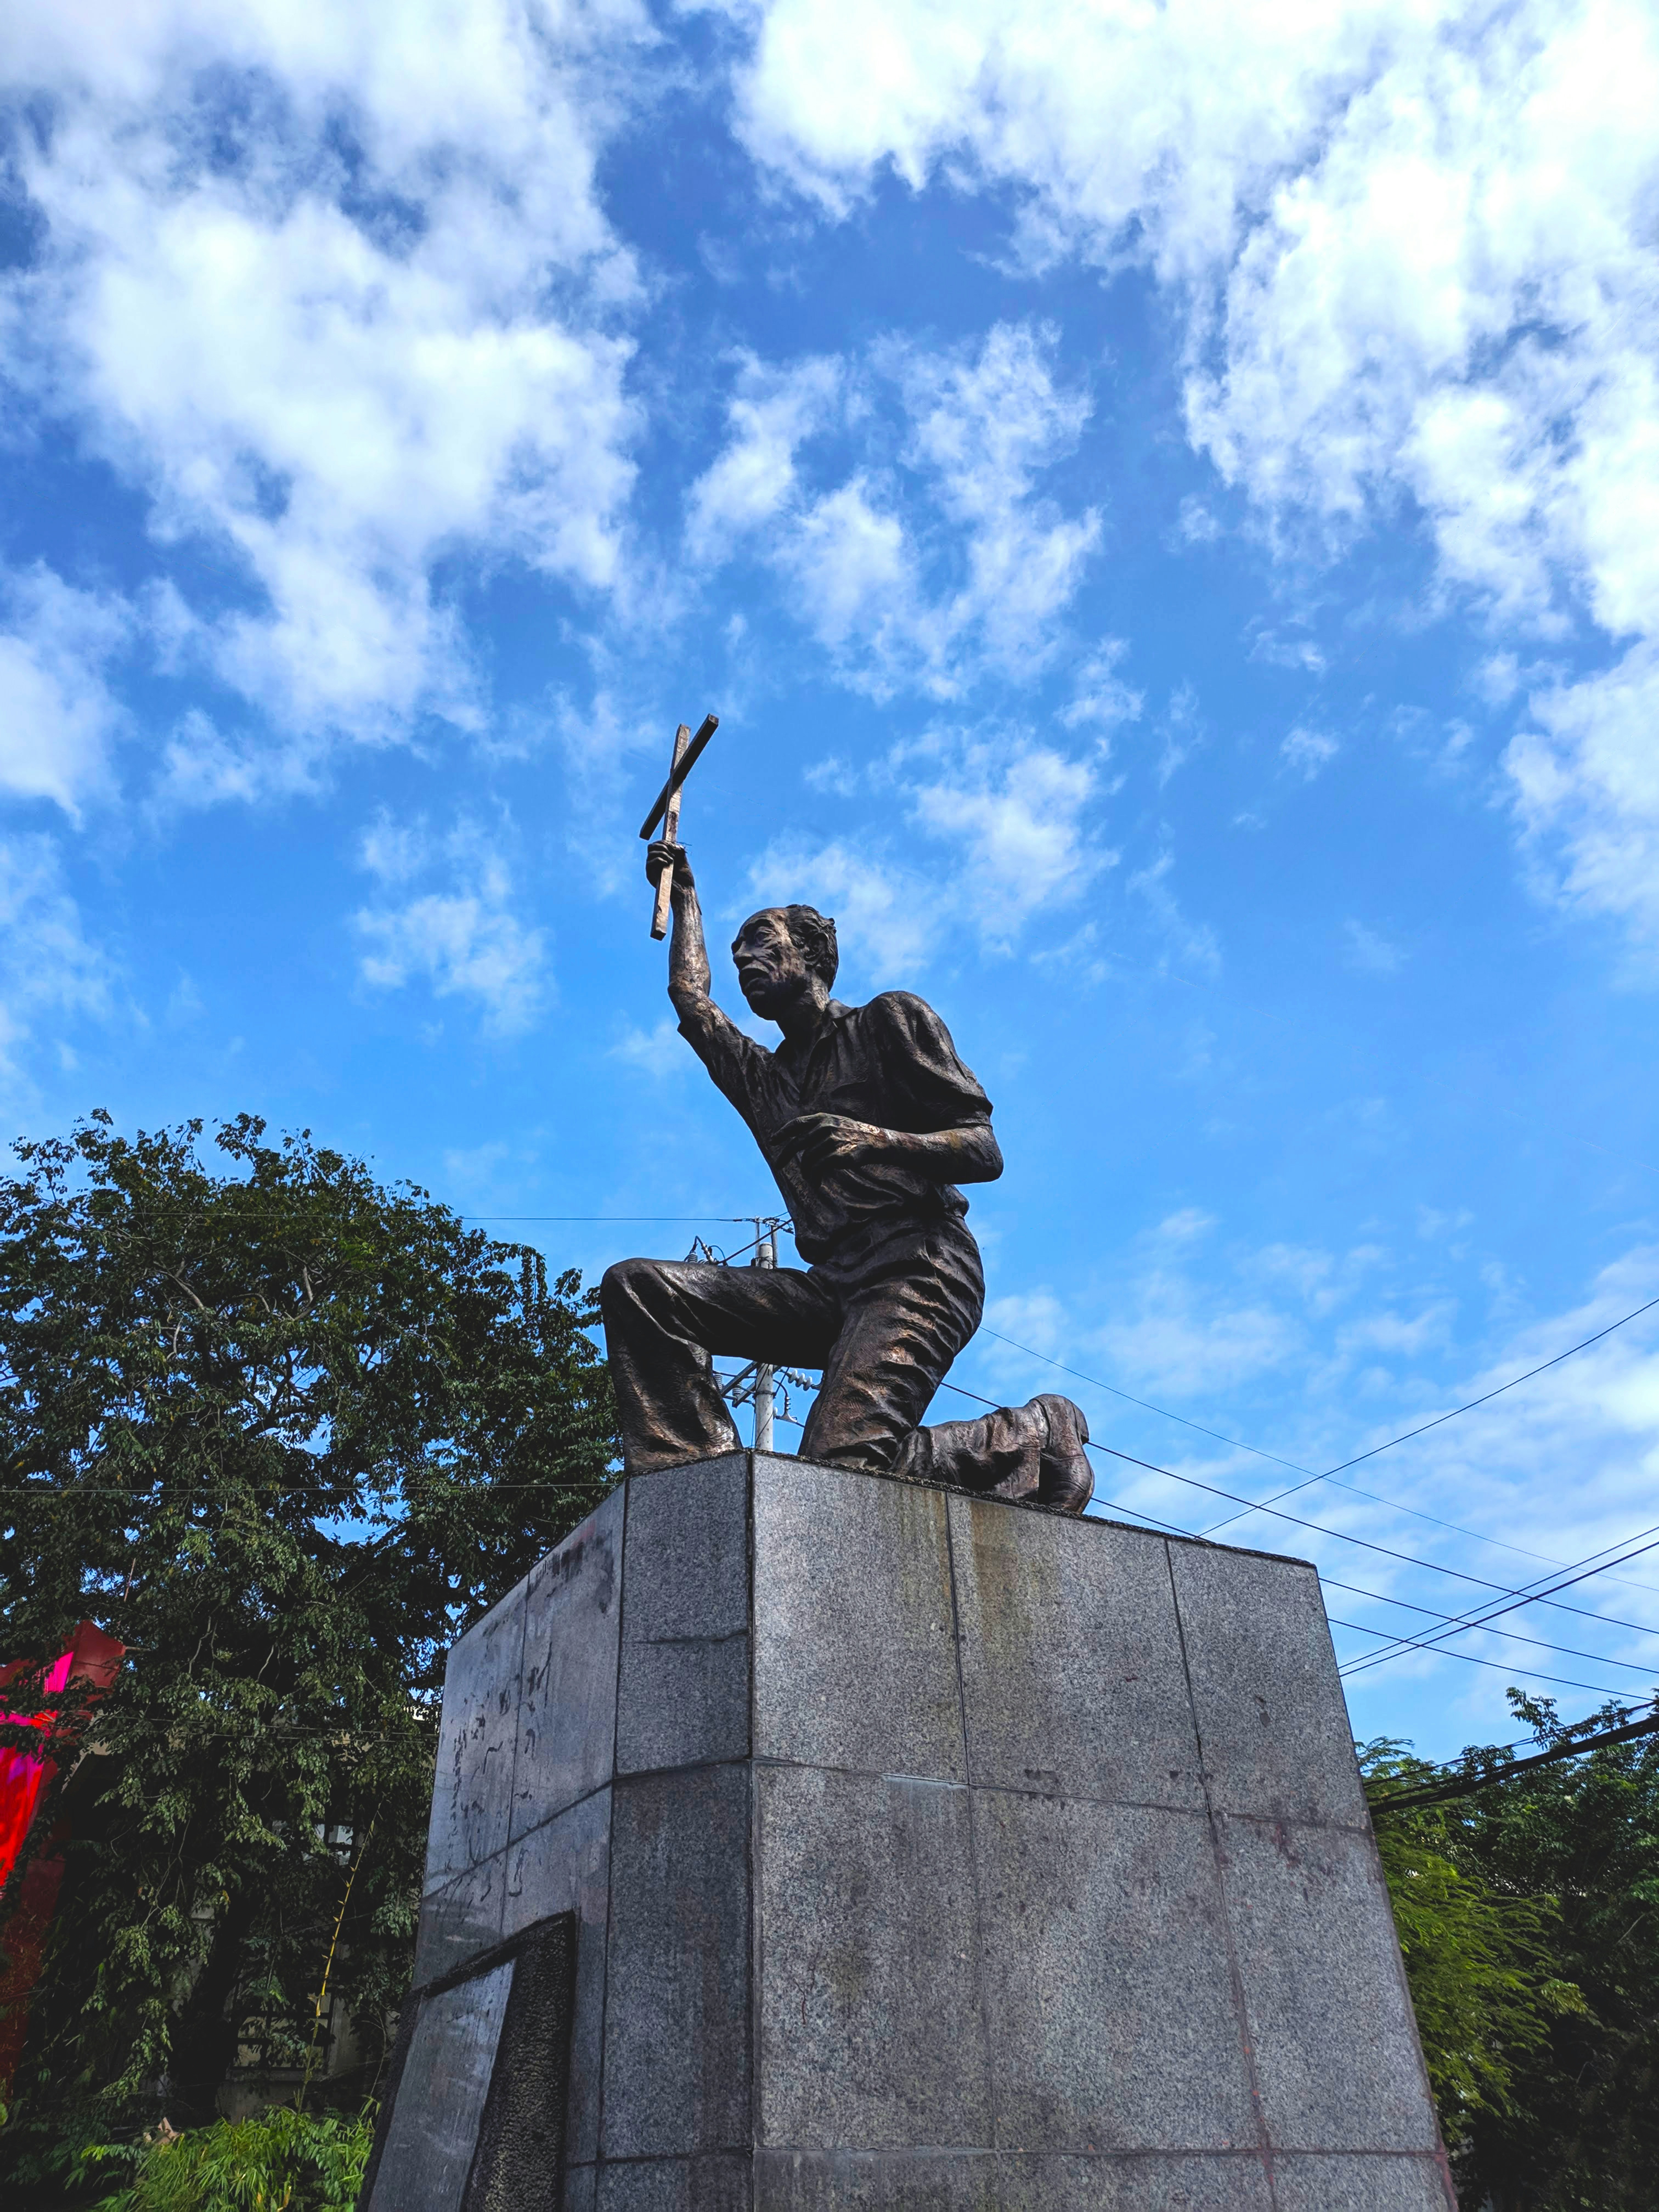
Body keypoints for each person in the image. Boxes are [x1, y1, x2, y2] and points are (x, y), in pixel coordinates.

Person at [598, 838, 1093, 1510]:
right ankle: (695, 1489)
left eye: (761, 942)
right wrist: (685, 897)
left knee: (837, 1473)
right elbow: (692, 999)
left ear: (812, 955)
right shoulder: (763, 1078)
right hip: (831, 1286)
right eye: (737, 948)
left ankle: (1026, 1436)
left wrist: (874, 1141)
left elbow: (984, 1151)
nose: (745, 958)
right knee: (640, 1290)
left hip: (919, 1268)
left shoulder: (889, 1021)